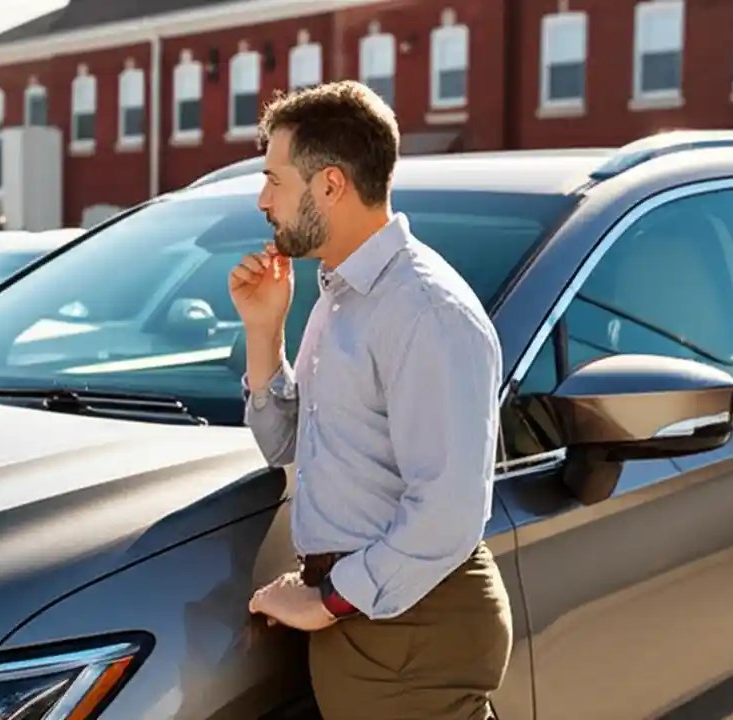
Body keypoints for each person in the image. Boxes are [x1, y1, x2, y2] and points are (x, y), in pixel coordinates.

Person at [231, 80, 512, 720]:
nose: (263, 199)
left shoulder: (426, 311)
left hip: (409, 622)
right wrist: (264, 332)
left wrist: (326, 600)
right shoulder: (342, 295)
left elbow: (448, 510)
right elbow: (287, 443)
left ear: (330, 184)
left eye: (275, 179)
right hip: (376, 613)